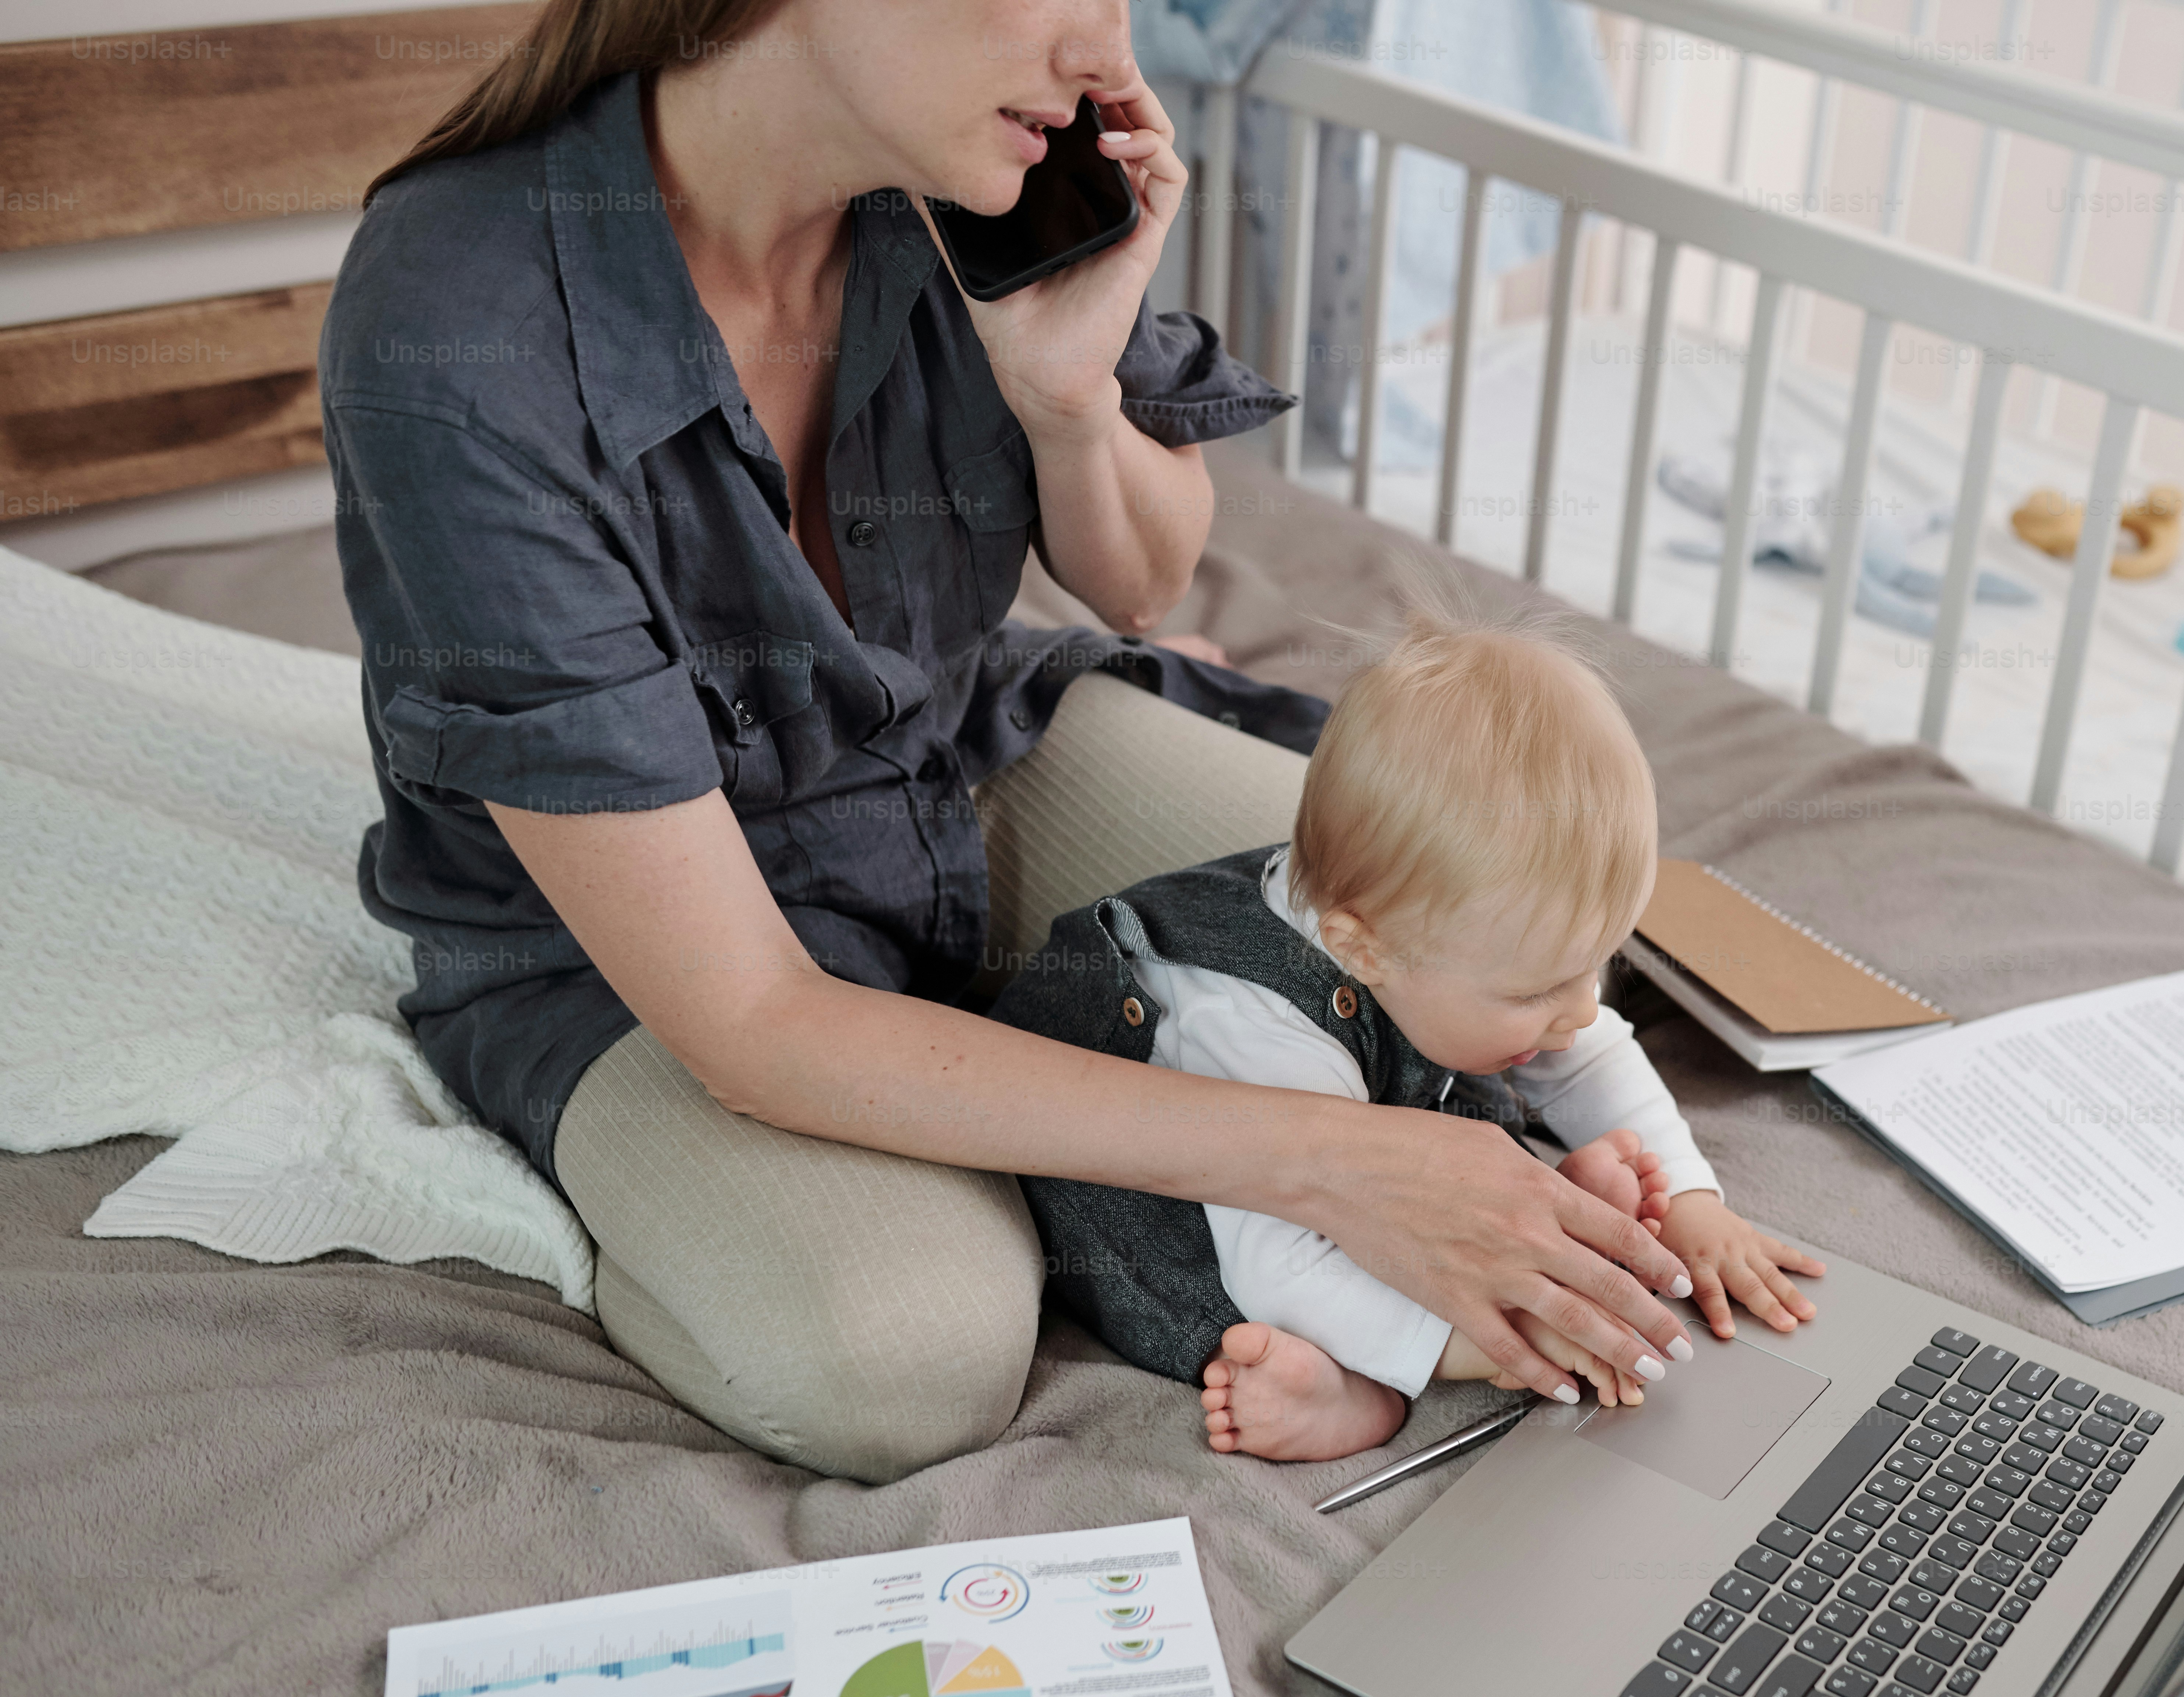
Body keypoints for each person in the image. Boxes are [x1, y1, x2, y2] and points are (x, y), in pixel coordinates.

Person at [322, 0, 1691, 1486]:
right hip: (647, 963)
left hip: (954, 761)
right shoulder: (459, 318)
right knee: (900, 1357)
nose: (1114, 58)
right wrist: (1327, 1156)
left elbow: (1145, 581)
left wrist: (1066, 400)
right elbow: (755, 1018)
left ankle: (1054, 1067)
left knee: (1470, 904)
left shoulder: (968, 181)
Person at [996, 604, 1824, 1461]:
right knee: (1260, 1302)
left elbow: (1592, 1051)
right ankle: (1355, 1391)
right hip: (1192, 1215)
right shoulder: (1257, 1033)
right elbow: (1281, 1269)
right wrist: (1490, 1340)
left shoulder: (1423, 928)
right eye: (1543, 985)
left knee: (1466, 1091)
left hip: (1351, 1119)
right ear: (1365, 949)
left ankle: (1558, 1212)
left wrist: (1691, 1199)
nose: (1583, 1008)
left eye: (1600, 963)